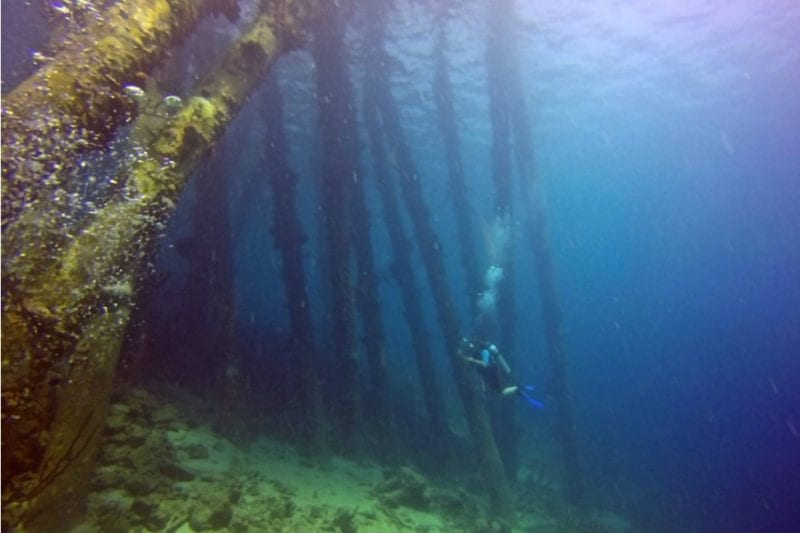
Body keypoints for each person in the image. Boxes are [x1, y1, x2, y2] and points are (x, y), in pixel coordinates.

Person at [459, 337, 544, 409]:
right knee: (502, 390)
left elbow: (485, 364)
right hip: (492, 371)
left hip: (493, 372)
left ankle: (519, 388)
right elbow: (482, 372)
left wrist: (471, 360)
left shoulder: (482, 351)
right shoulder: (479, 351)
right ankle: (521, 388)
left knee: (502, 392)